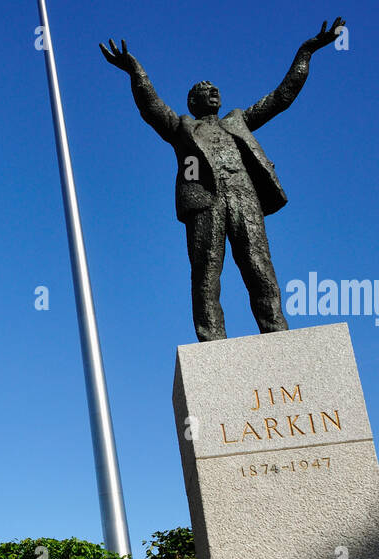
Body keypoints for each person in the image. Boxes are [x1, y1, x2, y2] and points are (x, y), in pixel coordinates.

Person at [99, 20, 346, 342]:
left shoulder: (238, 120)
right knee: (207, 273)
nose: (213, 91)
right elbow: (150, 106)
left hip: (244, 197)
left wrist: (306, 51)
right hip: (205, 200)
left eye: (215, 89)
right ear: (193, 103)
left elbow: (282, 97)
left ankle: (277, 335)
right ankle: (212, 340)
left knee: (260, 268)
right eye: (204, 90)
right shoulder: (181, 127)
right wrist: (135, 72)